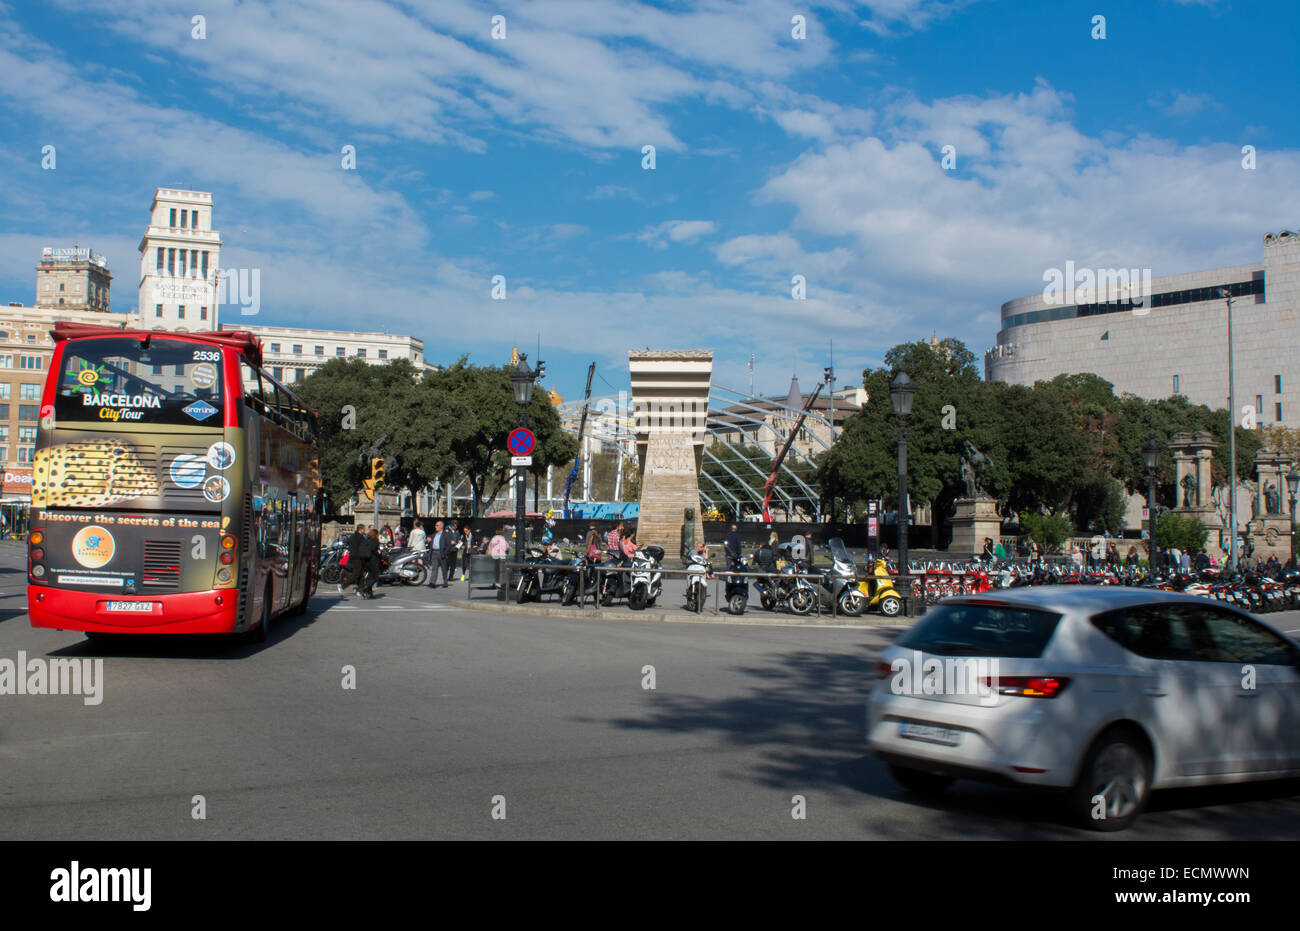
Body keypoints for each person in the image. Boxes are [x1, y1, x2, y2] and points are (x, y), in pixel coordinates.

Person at [339, 523, 367, 595]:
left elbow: (347, 543)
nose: (364, 530)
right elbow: (363, 548)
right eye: (364, 529)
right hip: (357, 557)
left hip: (352, 556)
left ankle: (360, 590)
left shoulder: (352, 536)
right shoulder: (361, 538)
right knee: (356, 574)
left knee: (361, 574)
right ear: (360, 530)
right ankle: (342, 586)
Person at [358, 528, 382, 599]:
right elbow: (374, 550)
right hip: (372, 560)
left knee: (370, 576)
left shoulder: (366, 540)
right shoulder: (375, 541)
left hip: (365, 560)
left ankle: (370, 593)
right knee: (375, 576)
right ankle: (365, 589)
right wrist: (379, 553)